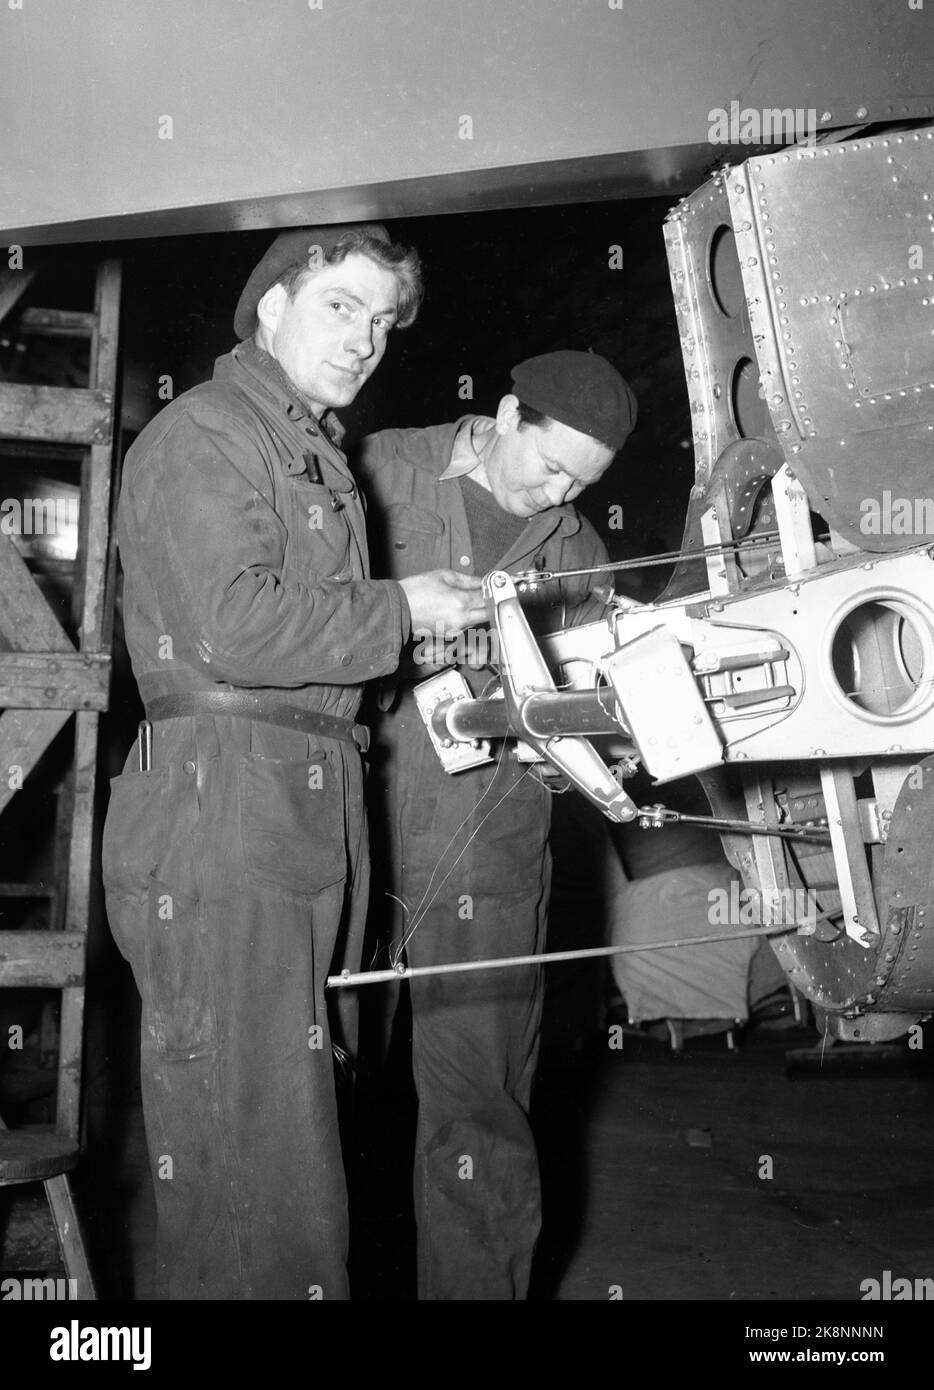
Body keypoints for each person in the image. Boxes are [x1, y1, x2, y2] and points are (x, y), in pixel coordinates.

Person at [101, 223, 489, 1300]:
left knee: (306, 1134)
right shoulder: (205, 433)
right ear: (269, 304)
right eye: (339, 306)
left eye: (381, 322)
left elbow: (317, 653)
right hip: (224, 799)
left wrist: (427, 655)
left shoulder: (306, 451)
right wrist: (402, 607)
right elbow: (231, 625)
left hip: (306, 791)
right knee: (253, 1148)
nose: (365, 338)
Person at [353, 350, 637, 1299]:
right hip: (345, 831)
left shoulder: (578, 550)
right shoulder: (374, 469)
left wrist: (582, 741)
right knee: (308, 1102)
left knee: (479, 1116)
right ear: (507, 413)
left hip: (489, 849)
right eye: (549, 466)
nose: (557, 496)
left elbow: (601, 708)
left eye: (582, 484)